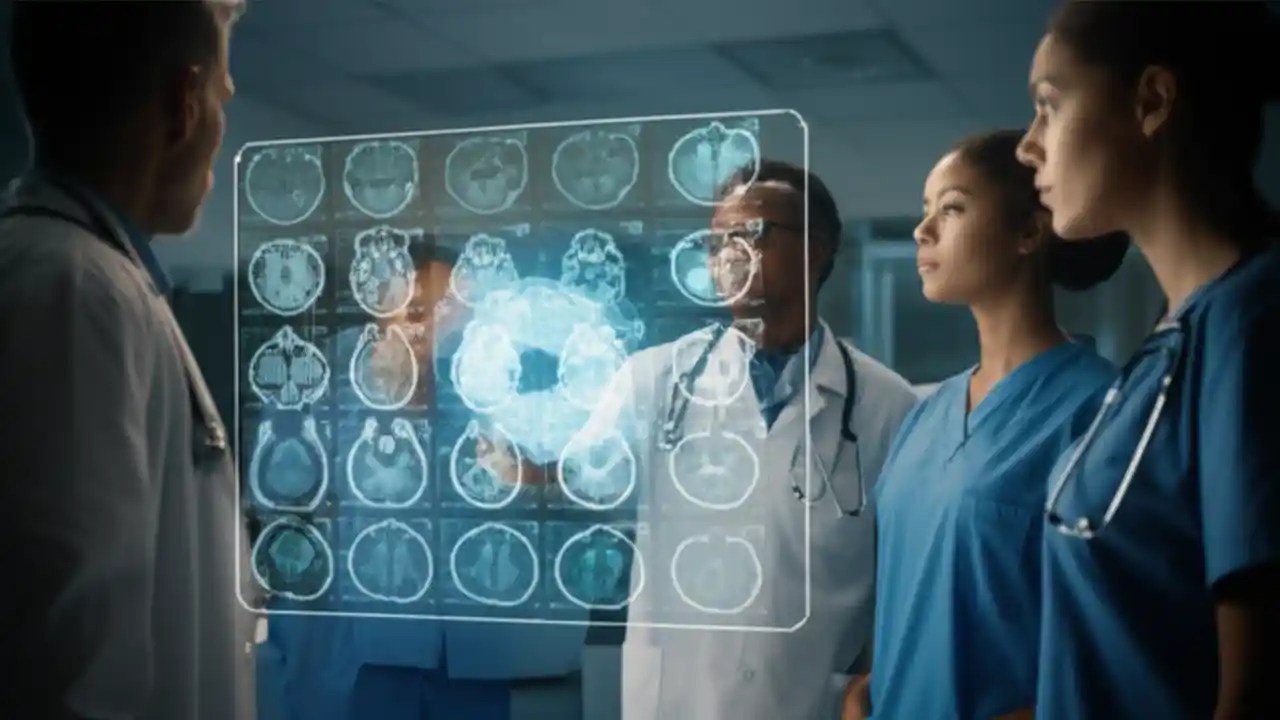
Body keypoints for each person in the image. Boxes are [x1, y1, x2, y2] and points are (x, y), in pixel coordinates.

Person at [491, 159, 918, 720]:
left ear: (818, 248)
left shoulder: (888, 405)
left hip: (807, 701)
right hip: (678, 702)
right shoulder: (655, 380)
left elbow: (905, 587)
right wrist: (525, 468)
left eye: (753, 234)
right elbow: (577, 483)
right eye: (717, 242)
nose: (729, 255)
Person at [1014, 2, 1280, 718]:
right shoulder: (1173, 341)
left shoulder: (1250, 323)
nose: (1027, 147)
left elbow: (1256, 689)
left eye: (1049, 105)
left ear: (1151, 101)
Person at [0, 1, 253, 719]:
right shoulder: (75, 292)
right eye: (222, 97)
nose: (221, 126)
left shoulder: (78, 278)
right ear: (183, 103)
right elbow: (72, 667)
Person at [841, 130, 1126, 720]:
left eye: (951, 208)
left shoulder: (1100, 410)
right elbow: (918, 593)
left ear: (1028, 232)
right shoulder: (926, 416)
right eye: (925, 211)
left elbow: (1123, 645)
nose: (922, 231)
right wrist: (869, 690)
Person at [263, 245, 586, 720]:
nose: (428, 322)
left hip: (468, 653)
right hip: (359, 650)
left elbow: (570, 475)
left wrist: (532, 476)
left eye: (446, 307)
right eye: (414, 305)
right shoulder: (330, 373)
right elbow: (285, 500)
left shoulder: (489, 375)